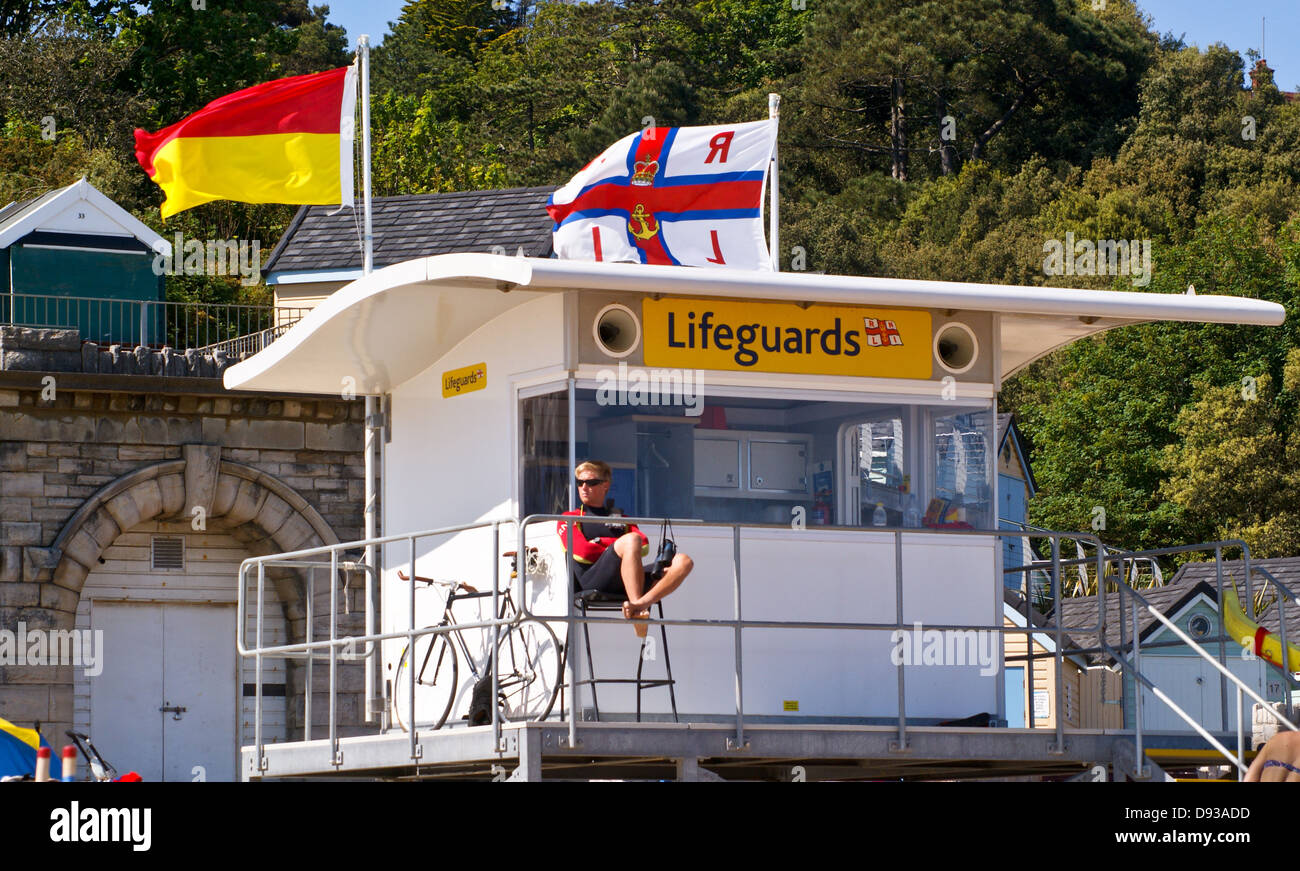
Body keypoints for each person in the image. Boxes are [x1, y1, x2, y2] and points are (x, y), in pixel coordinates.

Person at [557, 460, 693, 632]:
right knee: (630, 540)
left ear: (605, 485)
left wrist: (600, 541)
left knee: (683, 561)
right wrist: (617, 546)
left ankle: (640, 604)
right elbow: (583, 552)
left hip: (627, 581)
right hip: (593, 581)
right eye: (580, 482)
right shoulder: (570, 517)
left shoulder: (620, 517)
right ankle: (638, 611)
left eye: (591, 482)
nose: (584, 487)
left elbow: (643, 545)